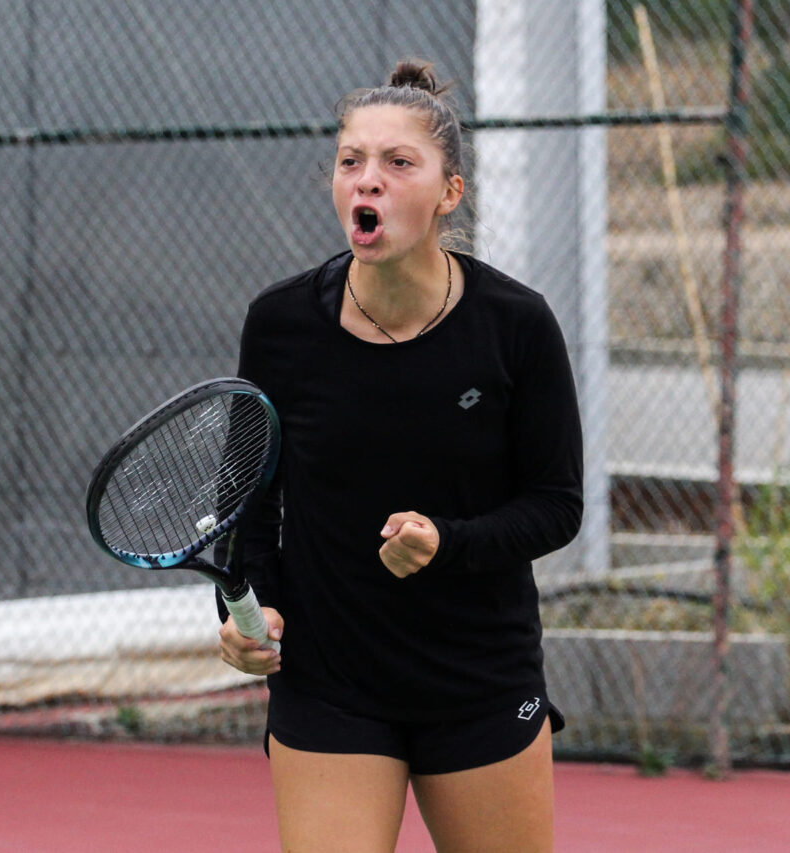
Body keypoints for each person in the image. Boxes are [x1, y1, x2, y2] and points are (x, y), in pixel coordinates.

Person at [216, 60, 583, 853]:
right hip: (329, 683)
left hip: (479, 679)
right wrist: (248, 611)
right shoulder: (279, 324)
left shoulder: (517, 325)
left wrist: (448, 541)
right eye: (351, 160)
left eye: (398, 162)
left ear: (449, 192)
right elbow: (247, 503)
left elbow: (556, 504)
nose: (368, 179)